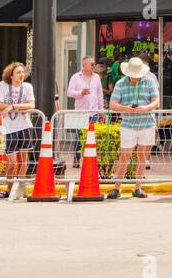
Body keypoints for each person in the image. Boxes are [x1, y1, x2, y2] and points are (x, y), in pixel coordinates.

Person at [107, 56, 159, 199]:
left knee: (142, 156)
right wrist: (126, 108)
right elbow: (113, 104)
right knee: (124, 156)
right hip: (129, 124)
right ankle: (117, 188)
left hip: (147, 123)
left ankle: (138, 187)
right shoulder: (120, 84)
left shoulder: (149, 81)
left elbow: (156, 100)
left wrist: (146, 108)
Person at [0, 63, 35, 199]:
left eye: (23, 72)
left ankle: (20, 188)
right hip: (10, 128)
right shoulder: (3, 86)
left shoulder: (27, 87)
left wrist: (12, 106)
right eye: (18, 72)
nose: (22, 75)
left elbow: (32, 105)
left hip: (25, 126)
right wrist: (16, 107)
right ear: (11, 75)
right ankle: (9, 189)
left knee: (23, 161)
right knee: (12, 162)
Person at [66, 56, 103, 166]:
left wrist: (101, 111)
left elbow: (100, 94)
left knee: (93, 137)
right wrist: (80, 92)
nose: (94, 66)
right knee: (79, 138)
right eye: (91, 64)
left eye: (94, 64)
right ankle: (76, 160)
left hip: (94, 112)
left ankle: (91, 160)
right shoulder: (75, 77)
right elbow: (69, 92)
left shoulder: (97, 77)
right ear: (84, 65)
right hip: (80, 113)